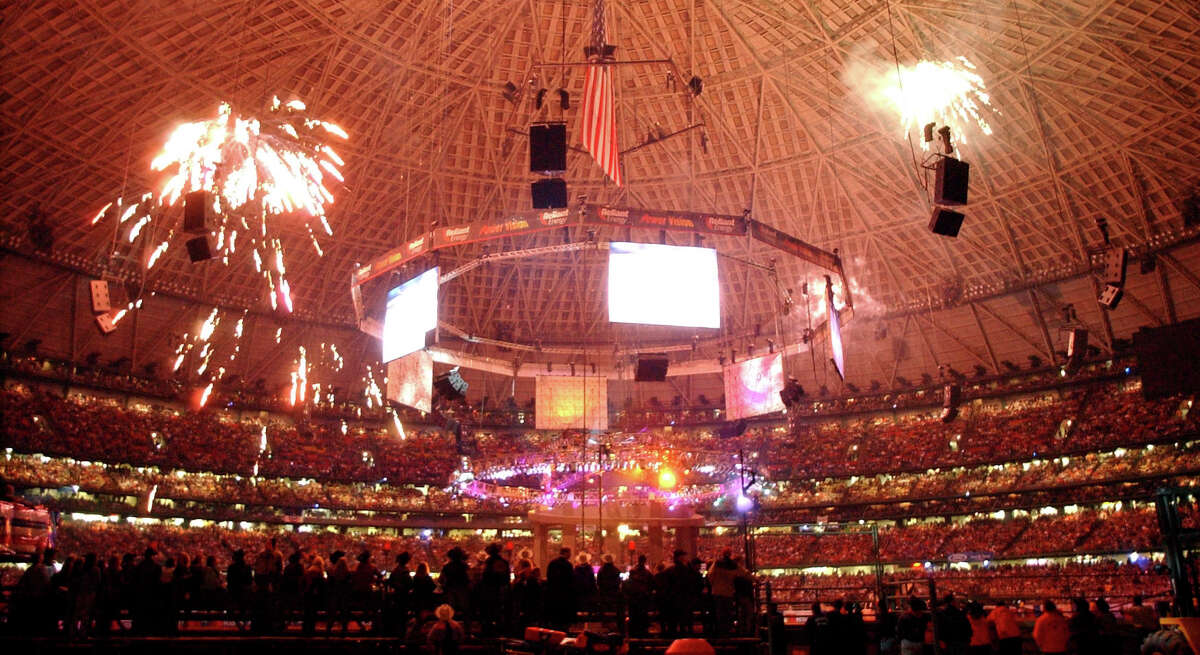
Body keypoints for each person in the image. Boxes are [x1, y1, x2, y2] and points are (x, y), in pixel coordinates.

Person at [440, 547, 472, 631]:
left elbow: (441, 579)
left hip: (450, 590)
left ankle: (450, 629)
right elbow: (470, 578)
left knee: (451, 612)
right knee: (466, 611)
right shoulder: (465, 566)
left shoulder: (447, 566)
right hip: (463, 590)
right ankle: (467, 630)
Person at [622, 554, 654, 637]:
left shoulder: (633, 572)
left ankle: (634, 633)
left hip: (633, 599)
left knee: (634, 616)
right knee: (642, 617)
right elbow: (651, 584)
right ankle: (643, 632)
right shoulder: (646, 573)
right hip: (643, 599)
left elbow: (626, 587)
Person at [545, 547, 576, 630]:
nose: (570, 555)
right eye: (569, 553)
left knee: (555, 619)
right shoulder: (568, 565)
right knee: (563, 619)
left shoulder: (552, 563)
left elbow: (549, 577)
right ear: (565, 553)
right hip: (564, 596)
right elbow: (571, 580)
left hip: (554, 595)